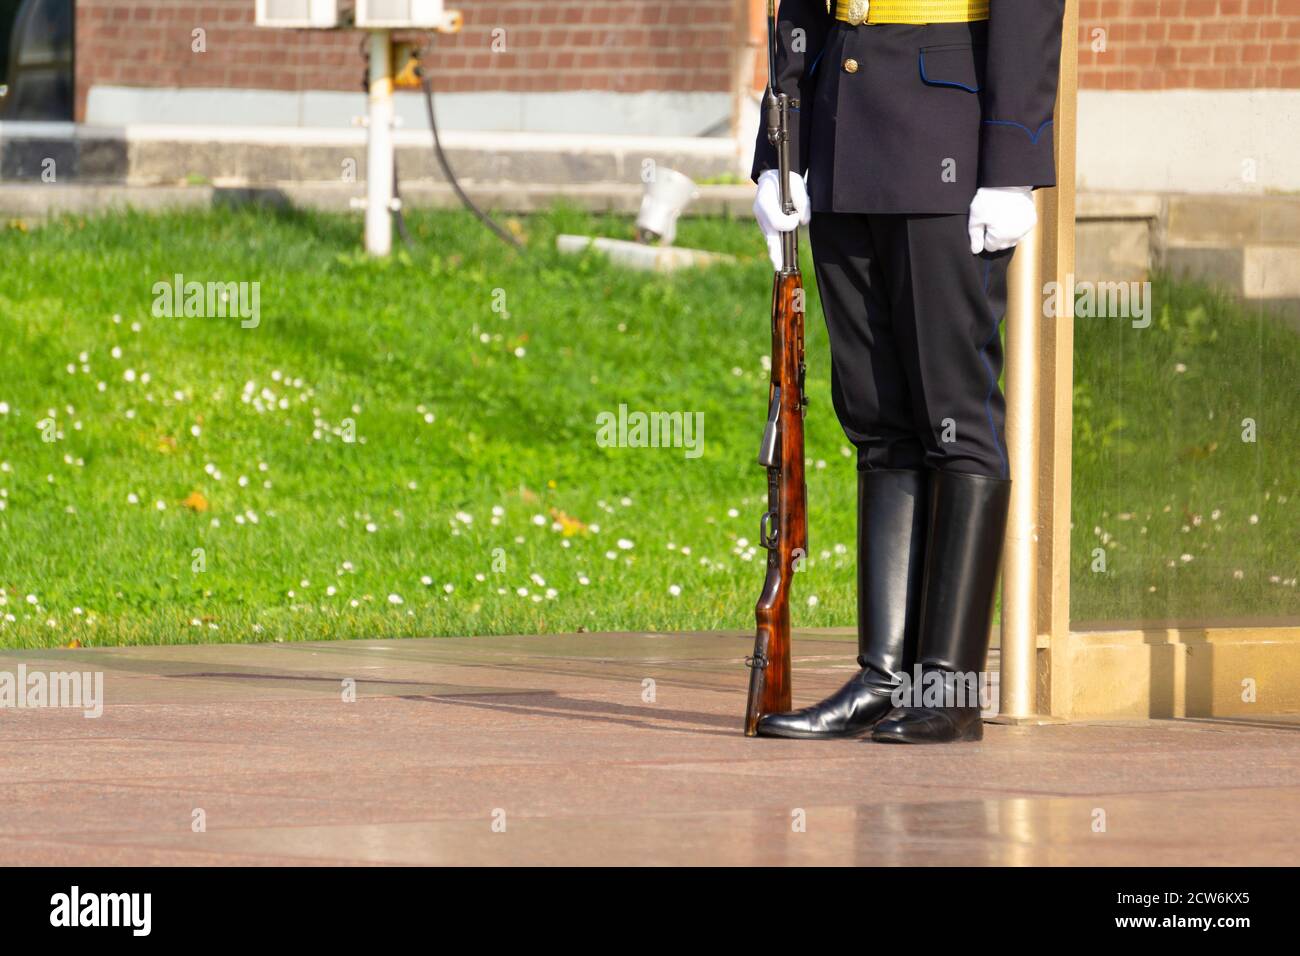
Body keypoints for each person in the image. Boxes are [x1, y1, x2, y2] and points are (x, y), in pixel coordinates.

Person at [751, 0, 1065, 744]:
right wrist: (779, 149)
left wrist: (1013, 161)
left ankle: (948, 690)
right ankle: (883, 677)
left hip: (947, 132)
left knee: (953, 416)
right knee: (876, 418)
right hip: (841, 129)